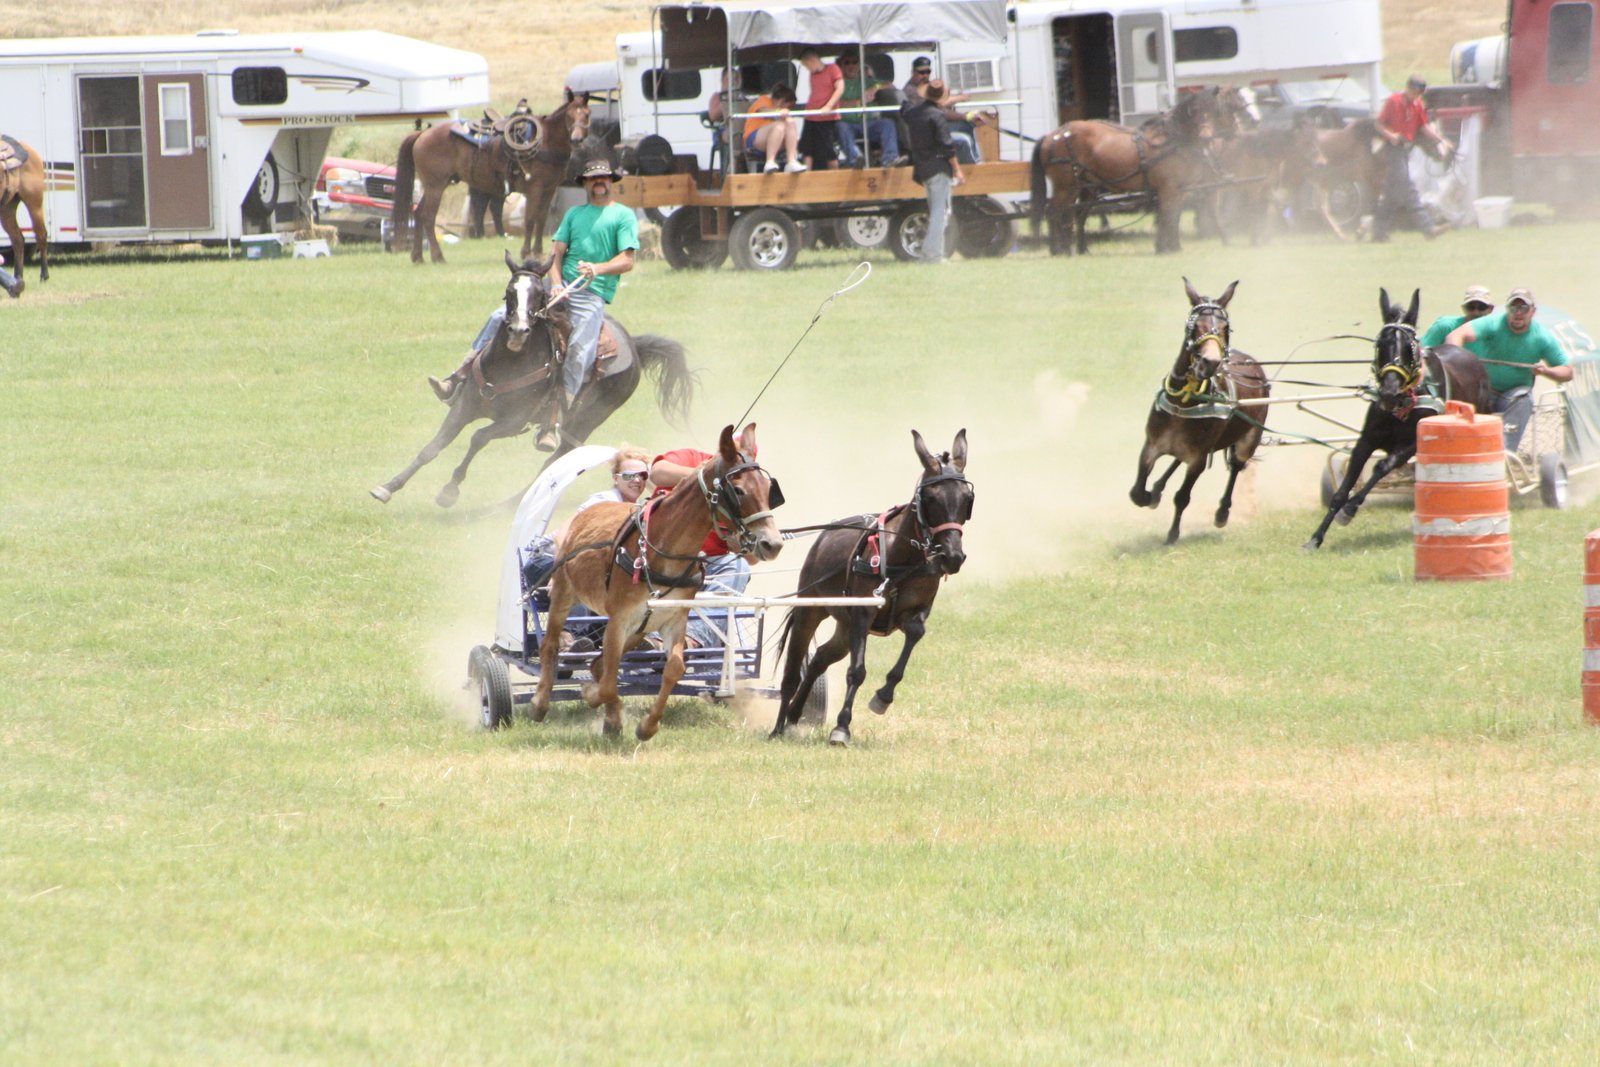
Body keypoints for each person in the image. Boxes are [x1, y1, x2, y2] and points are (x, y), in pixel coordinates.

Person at [535, 158, 640, 451]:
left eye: (604, 178)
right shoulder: (573, 214)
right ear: (585, 184)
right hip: (557, 287)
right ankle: (462, 375)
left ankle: (555, 419)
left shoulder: (622, 216)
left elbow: (627, 260)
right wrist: (554, 283)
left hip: (591, 293)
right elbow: (555, 254)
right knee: (506, 314)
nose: (600, 183)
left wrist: (597, 268)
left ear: (611, 182)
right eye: (594, 179)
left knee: (580, 348)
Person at [521, 447, 653, 650]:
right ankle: (567, 637)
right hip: (548, 560)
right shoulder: (604, 501)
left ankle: (621, 639)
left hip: (590, 565)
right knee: (585, 573)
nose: (636, 480)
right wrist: (559, 570)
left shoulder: (642, 509)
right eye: (629, 475)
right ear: (616, 478)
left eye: (642, 475)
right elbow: (565, 533)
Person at [648, 445, 755, 650]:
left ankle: (694, 639)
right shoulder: (692, 457)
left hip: (711, 565)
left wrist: (740, 544)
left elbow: (753, 558)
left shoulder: (745, 493)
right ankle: (654, 640)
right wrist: (709, 478)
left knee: (738, 565)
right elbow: (658, 472)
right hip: (665, 555)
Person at [1444, 288, 1573, 450]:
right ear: (1507, 310)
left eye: (1523, 308)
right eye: (1513, 308)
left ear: (1533, 311)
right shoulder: (1493, 324)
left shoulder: (1542, 337)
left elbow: (1567, 371)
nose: (1517, 313)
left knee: (1523, 400)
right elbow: (1455, 336)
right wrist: (1457, 362)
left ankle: (1504, 455)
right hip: (1484, 389)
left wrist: (1546, 371)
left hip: (1514, 394)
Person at [1372, 75, 1452, 243]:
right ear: (1408, 88)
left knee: (1391, 196)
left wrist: (1441, 140)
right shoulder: (1393, 102)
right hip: (1393, 148)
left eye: (1419, 94)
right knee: (1409, 189)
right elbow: (1378, 124)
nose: (1417, 96)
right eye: (1416, 92)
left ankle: (1378, 234)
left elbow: (1423, 127)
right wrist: (1391, 135)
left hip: (1405, 149)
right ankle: (1428, 228)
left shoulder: (1417, 105)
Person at [903, 78, 965, 264]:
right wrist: (957, 170)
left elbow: (907, 110)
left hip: (923, 168)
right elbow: (947, 146)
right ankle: (933, 256)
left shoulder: (914, 114)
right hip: (939, 168)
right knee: (940, 213)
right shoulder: (937, 116)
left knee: (936, 211)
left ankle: (930, 254)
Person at [903, 55, 982, 165]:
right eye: (921, 72)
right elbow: (940, 107)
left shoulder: (928, 88)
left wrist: (966, 116)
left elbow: (941, 108)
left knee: (967, 125)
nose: (925, 75)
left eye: (927, 71)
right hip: (926, 134)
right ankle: (971, 170)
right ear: (913, 72)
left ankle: (978, 163)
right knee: (963, 141)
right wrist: (960, 100)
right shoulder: (911, 91)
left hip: (936, 126)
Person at [835, 54, 905, 167]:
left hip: (868, 123)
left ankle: (891, 159)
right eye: (847, 62)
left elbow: (890, 85)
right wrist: (859, 101)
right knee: (840, 126)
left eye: (854, 62)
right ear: (840, 66)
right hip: (847, 123)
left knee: (887, 123)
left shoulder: (866, 82)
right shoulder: (837, 83)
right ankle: (855, 160)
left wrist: (875, 88)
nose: (851, 65)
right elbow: (837, 104)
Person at [743, 83, 807, 174]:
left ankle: (792, 161)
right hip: (754, 138)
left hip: (776, 138)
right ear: (781, 101)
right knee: (779, 126)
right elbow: (763, 110)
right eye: (788, 107)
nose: (788, 110)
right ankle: (770, 161)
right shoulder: (764, 100)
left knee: (790, 122)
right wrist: (779, 112)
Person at [798, 48, 845, 170]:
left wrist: (828, 106)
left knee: (828, 148)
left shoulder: (832, 69)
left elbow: (839, 88)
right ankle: (806, 175)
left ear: (812, 60)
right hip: (811, 116)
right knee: (807, 148)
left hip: (826, 117)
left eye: (807, 65)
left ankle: (835, 176)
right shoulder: (812, 75)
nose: (808, 69)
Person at [1421, 286, 1495, 347]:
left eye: (1482, 307)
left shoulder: (1497, 332)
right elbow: (1422, 352)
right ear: (1463, 308)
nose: (1476, 312)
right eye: (1471, 307)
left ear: (1490, 309)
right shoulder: (1445, 326)